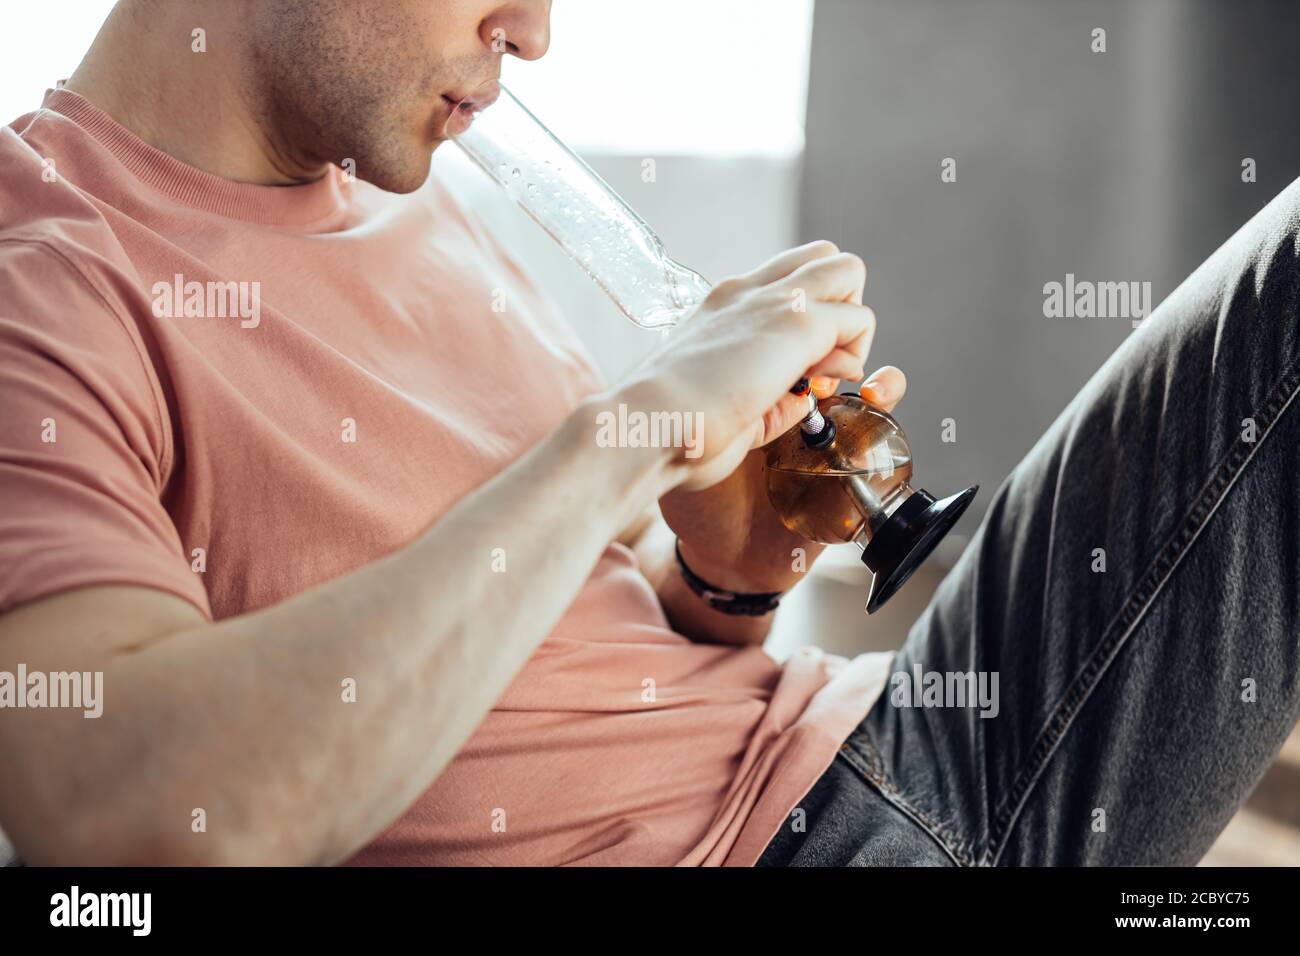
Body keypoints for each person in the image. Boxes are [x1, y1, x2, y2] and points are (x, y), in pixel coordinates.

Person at [0, 0, 1294, 868]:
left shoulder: (404, 176)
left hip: (878, 742)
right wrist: (630, 431)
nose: (538, 33)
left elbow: (560, 647)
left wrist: (725, 571)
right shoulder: (44, 278)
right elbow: (119, 808)